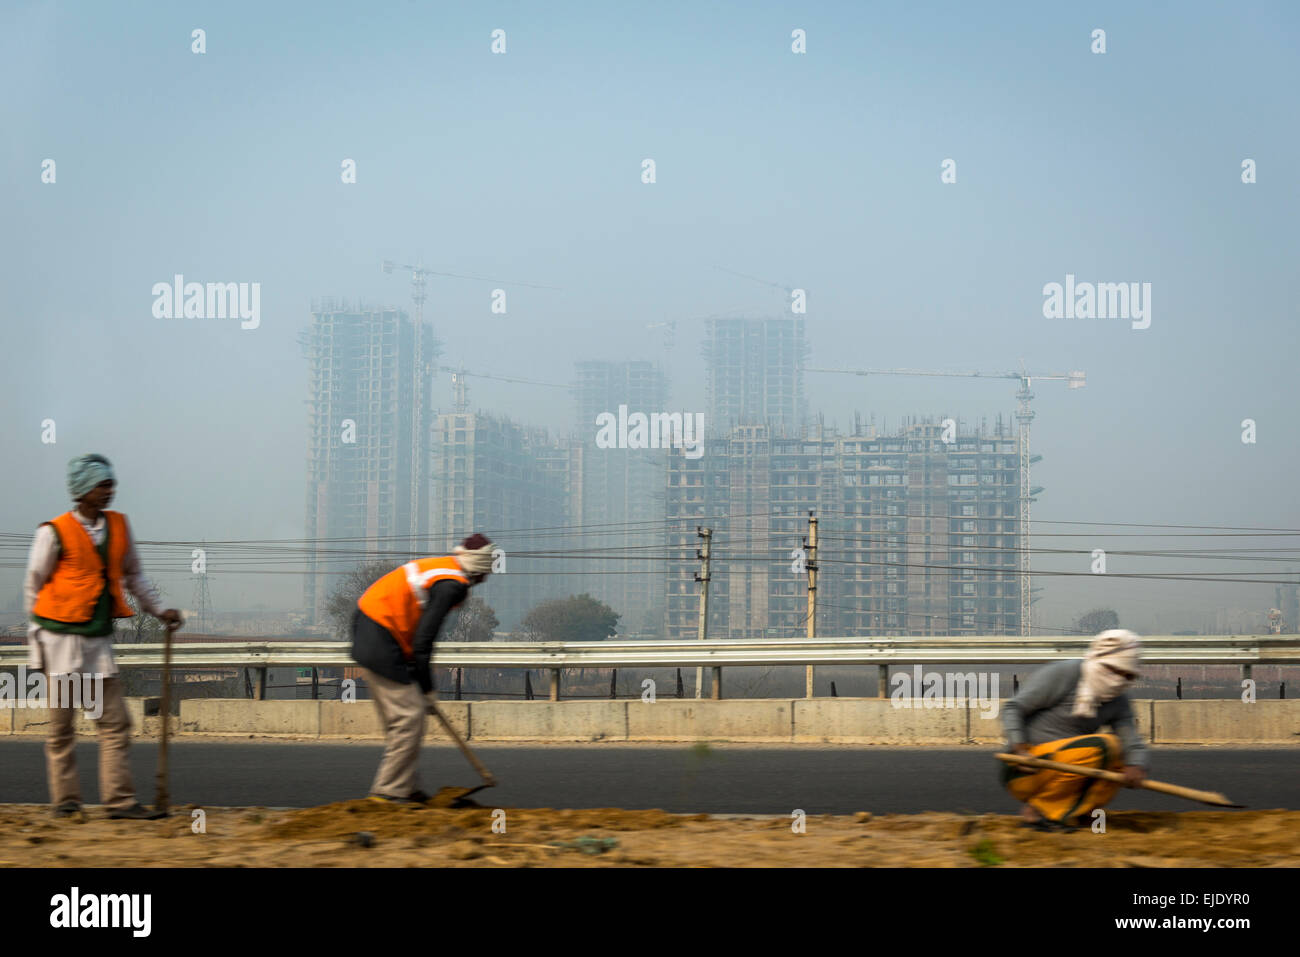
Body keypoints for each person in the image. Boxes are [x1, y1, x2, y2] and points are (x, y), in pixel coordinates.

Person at [25, 454, 183, 819]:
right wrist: (36, 646)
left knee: (113, 724)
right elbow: (34, 587)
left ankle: (120, 801)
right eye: (102, 485)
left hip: (96, 646)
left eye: (111, 484)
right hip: (60, 642)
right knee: (62, 728)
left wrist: (159, 611)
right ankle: (66, 801)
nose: (109, 491)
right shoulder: (53, 532)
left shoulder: (119, 528)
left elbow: (135, 576)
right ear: (82, 491)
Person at [350, 533, 496, 804]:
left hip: (370, 629)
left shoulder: (445, 567)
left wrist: (419, 684)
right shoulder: (453, 584)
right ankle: (387, 793)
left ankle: (406, 788)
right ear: (480, 569)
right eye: (486, 572)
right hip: (380, 637)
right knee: (408, 719)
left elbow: (415, 635)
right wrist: (427, 689)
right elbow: (423, 643)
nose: (486, 579)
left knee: (406, 720)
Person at [1000, 629, 1148, 830]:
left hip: (1069, 771)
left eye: (1126, 675)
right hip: (1027, 768)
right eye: (1113, 670)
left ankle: (1079, 812)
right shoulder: (1066, 673)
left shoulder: (1118, 699)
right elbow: (1013, 708)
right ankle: (1038, 812)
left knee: (1122, 756)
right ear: (1098, 658)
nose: (1118, 680)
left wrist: (1135, 766)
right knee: (1106, 745)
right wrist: (1019, 747)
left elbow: (1131, 740)